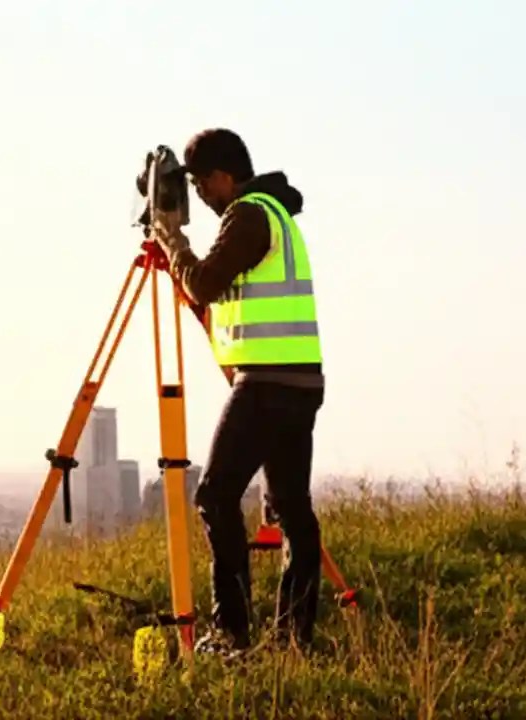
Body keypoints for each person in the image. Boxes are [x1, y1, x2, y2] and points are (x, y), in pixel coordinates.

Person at [150, 128, 325, 655]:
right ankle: (295, 639)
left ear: (225, 176)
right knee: (293, 508)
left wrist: (171, 240)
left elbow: (202, 284)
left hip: (267, 382)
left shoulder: (249, 215)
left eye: (203, 186)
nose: (200, 197)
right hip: (298, 380)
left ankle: (231, 632)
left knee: (216, 495)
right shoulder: (275, 215)